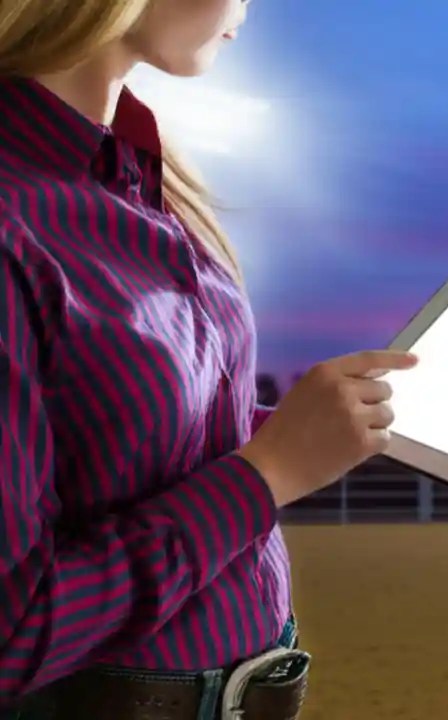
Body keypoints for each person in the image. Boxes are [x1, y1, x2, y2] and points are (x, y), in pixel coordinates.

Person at [0, 1, 418, 718]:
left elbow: (137, 445)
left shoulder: (141, 169)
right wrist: (267, 474)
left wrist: (313, 430)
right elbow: (14, 632)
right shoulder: (14, 219)